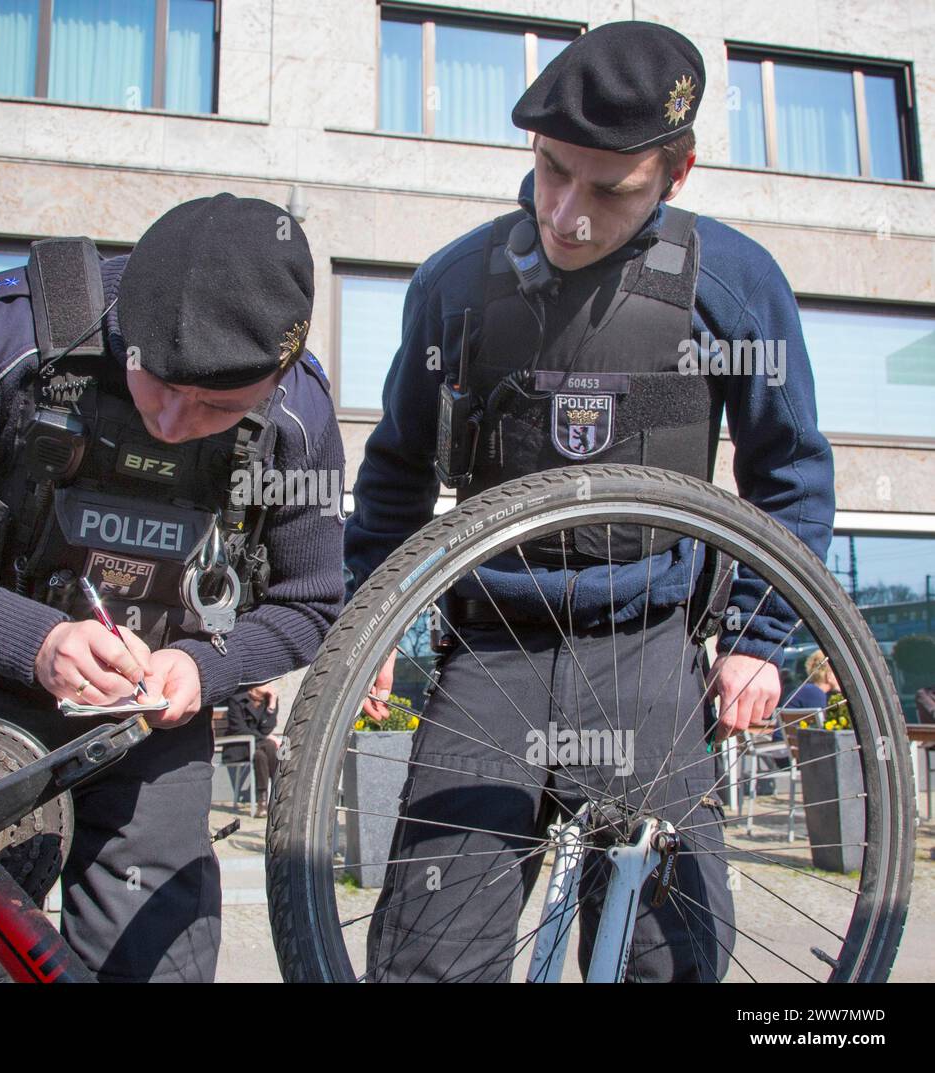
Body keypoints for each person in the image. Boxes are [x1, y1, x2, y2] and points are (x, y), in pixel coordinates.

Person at [345, 21, 835, 982]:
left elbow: (790, 472)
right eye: (549, 171)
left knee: (673, 958)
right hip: (490, 654)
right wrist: (365, 623)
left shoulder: (730, 285)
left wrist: (758, 642)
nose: (566, 214)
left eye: (609, 190)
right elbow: (395, 471)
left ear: (677, 172)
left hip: (649, 651)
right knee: (424, 956)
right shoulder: (456, 285)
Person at [0, 193, 345, 982]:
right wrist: (35, 641)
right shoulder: (7, 333)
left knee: (158, 958)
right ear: (122, 320)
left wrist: (208, 668)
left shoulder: (299, 415)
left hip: (154, 723)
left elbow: (310, 602)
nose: (174, 421)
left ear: (275, 378)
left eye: (217, 406)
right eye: (157, 382)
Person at [222, 683, 281, 816]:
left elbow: (266, 729)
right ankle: (279, 789)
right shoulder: (237, 699)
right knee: (269, 745)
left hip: (259, 748)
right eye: (266, 682)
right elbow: (239, 729)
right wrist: (266, 738)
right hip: (239, 746)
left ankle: (262, 803)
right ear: (256, 683)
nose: (270, 685)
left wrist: (271, 706)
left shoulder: (268, 701)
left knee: (261, 754)